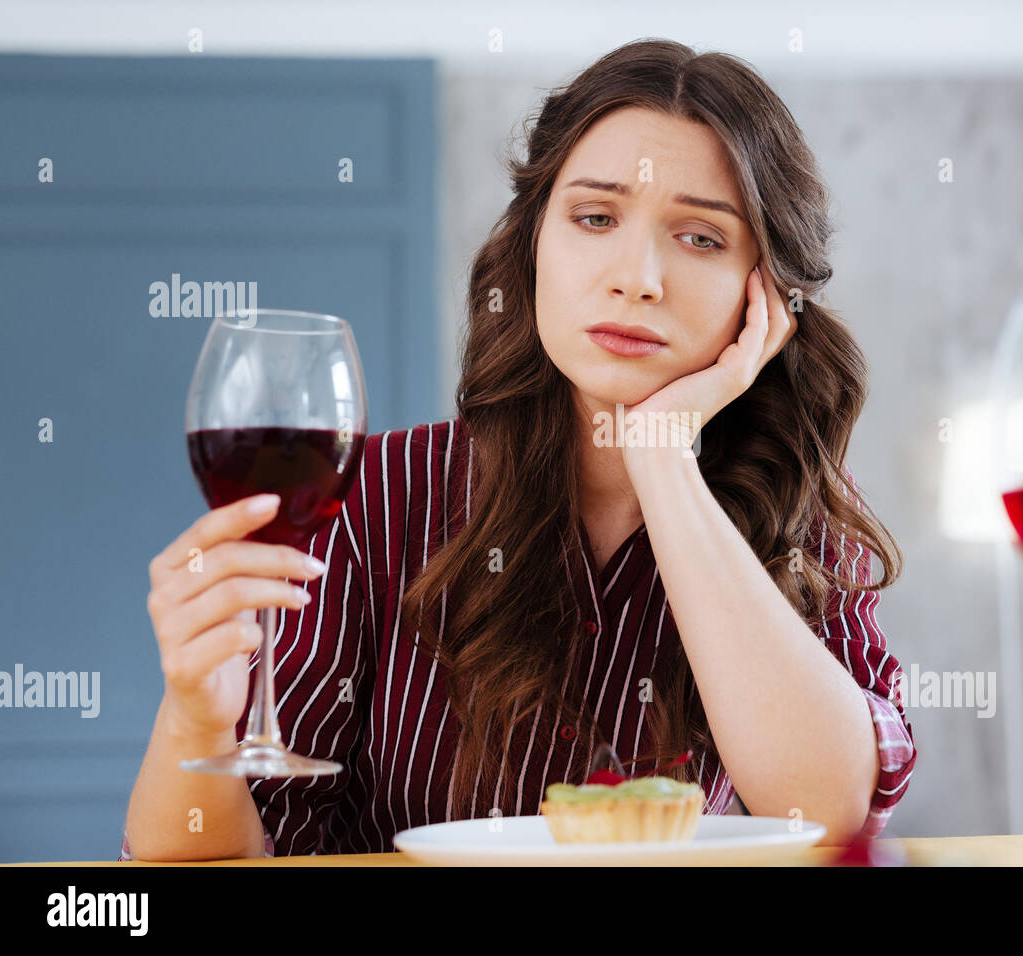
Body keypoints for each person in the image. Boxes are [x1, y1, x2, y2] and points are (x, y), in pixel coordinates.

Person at [120, 37, 916, 860]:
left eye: (702, 238)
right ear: (533, 242)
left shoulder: (800, 507)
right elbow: (229, 858)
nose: (636, 275)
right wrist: (194, 716)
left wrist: (662, 455)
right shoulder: (381, 495)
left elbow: (827, 813)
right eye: (595, 218)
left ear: (766, 296)